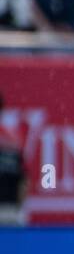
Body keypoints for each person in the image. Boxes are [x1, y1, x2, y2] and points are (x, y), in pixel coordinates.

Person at [0, 91, 26, 226]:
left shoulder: (12, 137)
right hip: (12, 208)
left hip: (10, 209)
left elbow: (24, 179)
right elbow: (24, 180)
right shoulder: (13, 137)